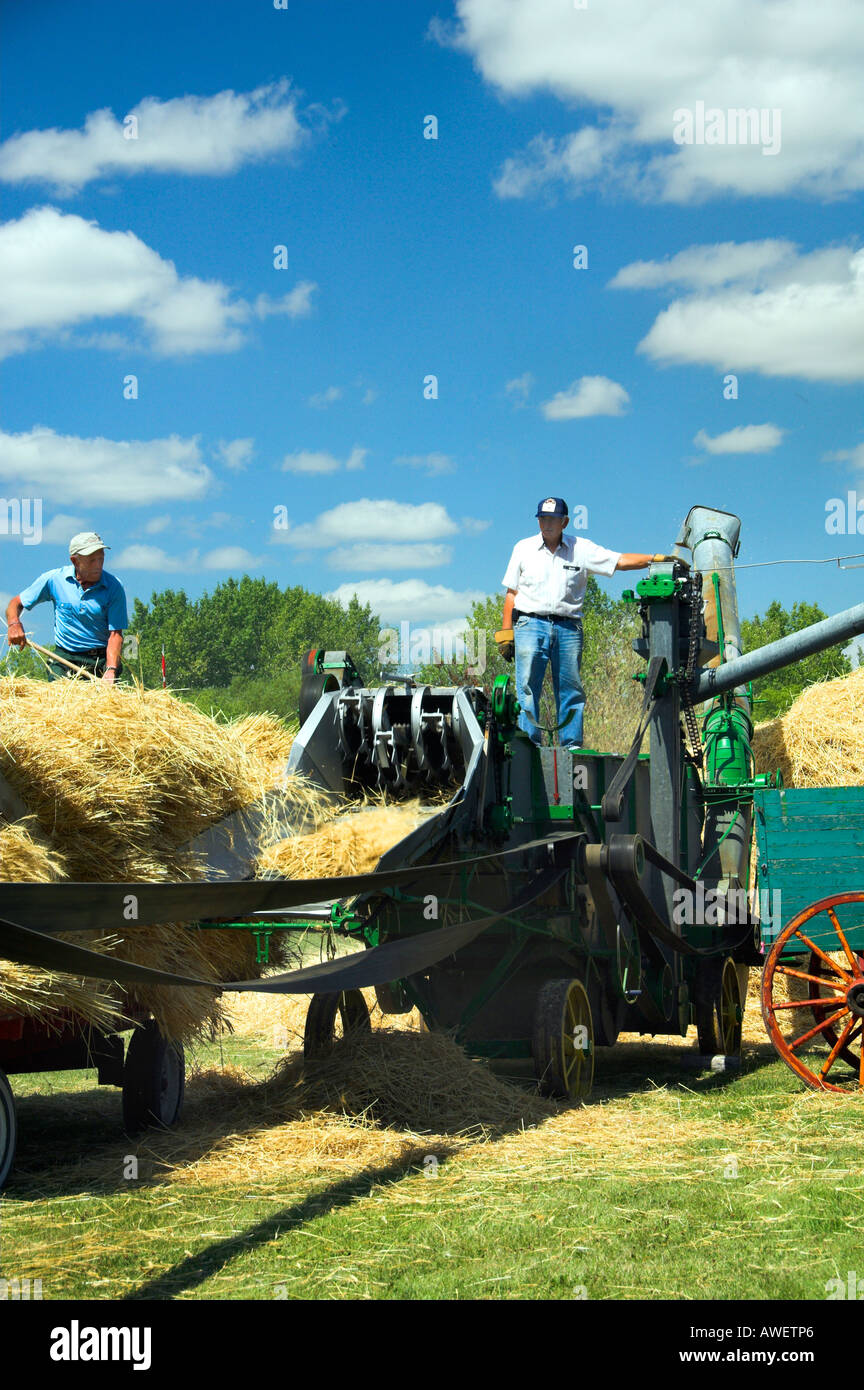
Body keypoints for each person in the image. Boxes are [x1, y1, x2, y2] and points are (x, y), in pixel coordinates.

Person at [496, 497, 661, 749]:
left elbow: (618, 561)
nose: (546, 524)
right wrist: (507, 633)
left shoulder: (581, 549)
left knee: (570, 688)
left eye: (552, 519)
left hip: (568, 627)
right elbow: (511, 593)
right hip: (530, 625)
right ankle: (528, 745)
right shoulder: (523, 548)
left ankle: (571, 745)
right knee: (527, 687)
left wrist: (655, 559)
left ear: (565, 522)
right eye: (542, 518)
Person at [5, 531, 128, 684]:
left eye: (101, 558)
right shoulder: (54, 580)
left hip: (100, 660)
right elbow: (15, 603)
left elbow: (116, 634)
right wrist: (14, 624)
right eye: (91, 560)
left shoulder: (114, 587)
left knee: (107, 705)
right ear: (75, 561)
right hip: (64, 658)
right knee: (57, 700)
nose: (98, 565)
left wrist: (110, 670)